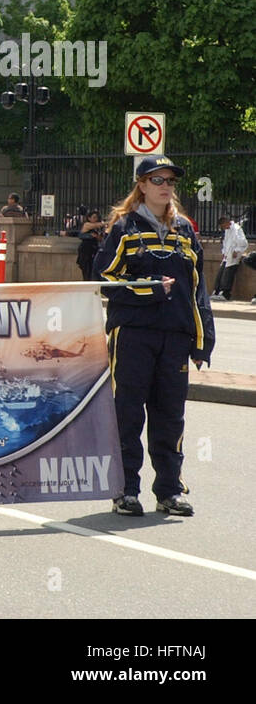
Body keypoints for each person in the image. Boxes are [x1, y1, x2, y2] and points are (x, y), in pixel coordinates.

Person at [94, 156, 215, 518]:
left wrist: (202, 337)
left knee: (170, 417)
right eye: (157, 179)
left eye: (170, 181)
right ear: (141, 185)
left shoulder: (185, 230)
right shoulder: (124, 228)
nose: (166, 186)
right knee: (127, 415)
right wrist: (149, 291)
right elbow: (106, 280)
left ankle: (169, 491)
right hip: (132, 335)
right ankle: (125, 491)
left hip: (174, 338)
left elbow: (198, 288)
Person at [212, 214, 248, 301]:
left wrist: (237, 250)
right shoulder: (227, 230)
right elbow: (226, 242)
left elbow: (243, 242)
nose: (223, 228)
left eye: (223, 226)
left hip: (233, 256)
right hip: (227, 256)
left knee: (228, 274)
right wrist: (224, 252)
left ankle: (225, 293)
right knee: (221, 273)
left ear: (227, 222)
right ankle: (217, 290)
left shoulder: (236, 229)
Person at [76, 211, 106, 282]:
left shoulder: (97, 228)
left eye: (96, 218)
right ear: (89, 218)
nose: (95, 219)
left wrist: (97, 236)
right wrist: (107, 223)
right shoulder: (87, 225)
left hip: (93, 250)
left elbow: (100, 239)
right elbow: (97, 225)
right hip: (85, 251)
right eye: (94, 217)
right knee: (86, 269)